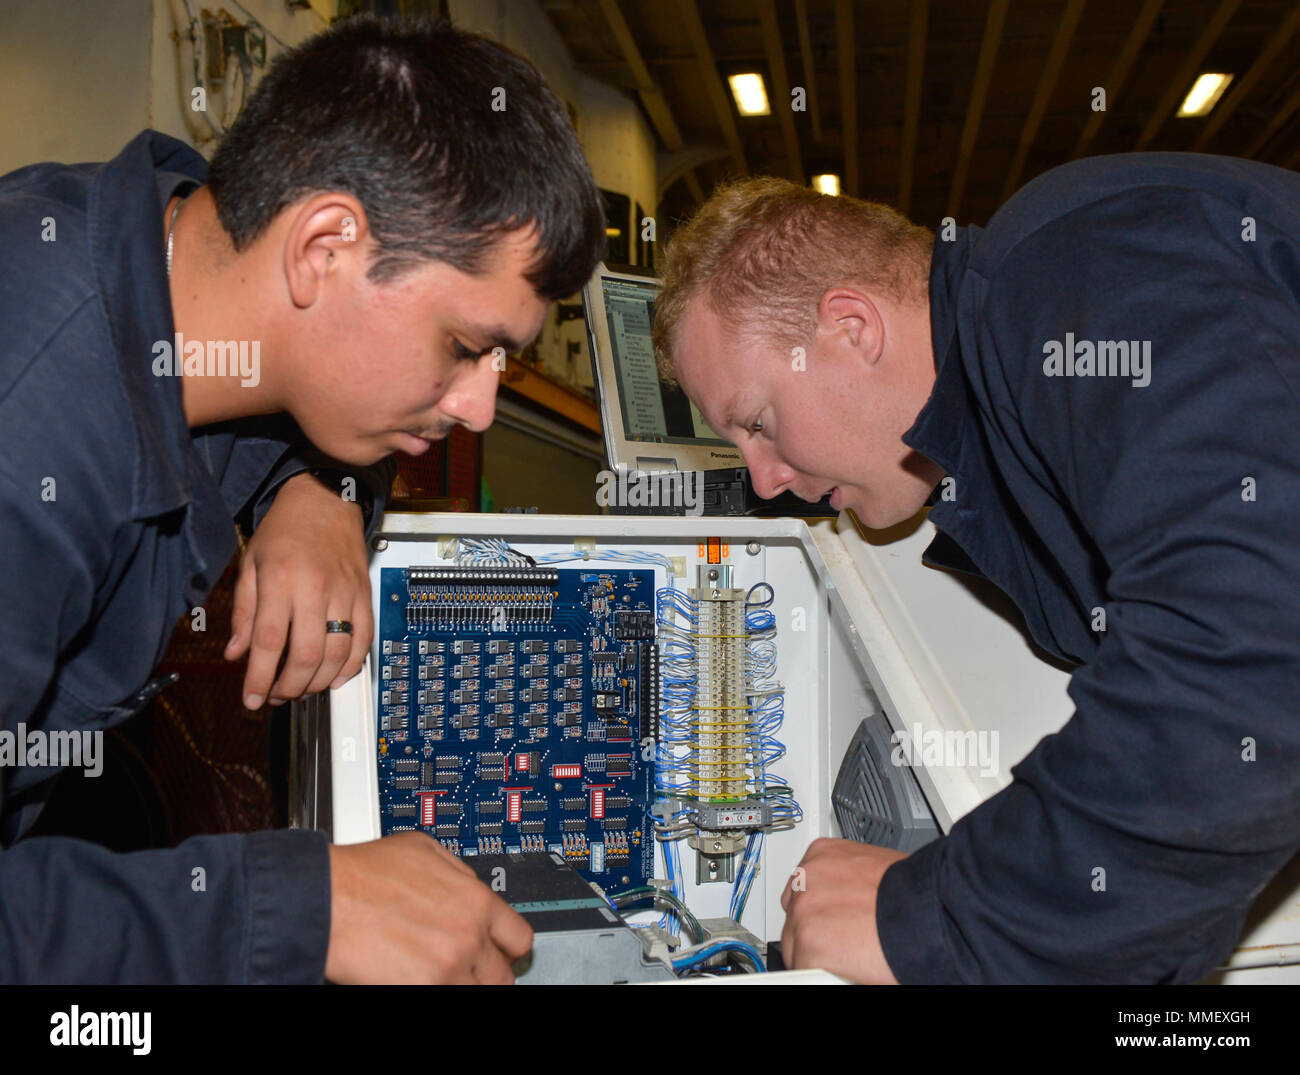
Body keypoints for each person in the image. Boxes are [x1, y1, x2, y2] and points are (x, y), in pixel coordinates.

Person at [0, 15, 604, 983]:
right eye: (463, 346)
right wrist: (302, 909)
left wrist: (318, 488)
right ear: (324, 246)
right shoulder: (26, 425)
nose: (480, 407)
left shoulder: (185, 260)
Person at [651, 157, 1300, 983]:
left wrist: (932, 918)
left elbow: (1256, 633)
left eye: (760, 422)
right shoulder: (1002, 474)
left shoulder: (1079, 262)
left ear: (851, 328)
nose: (766, 481)